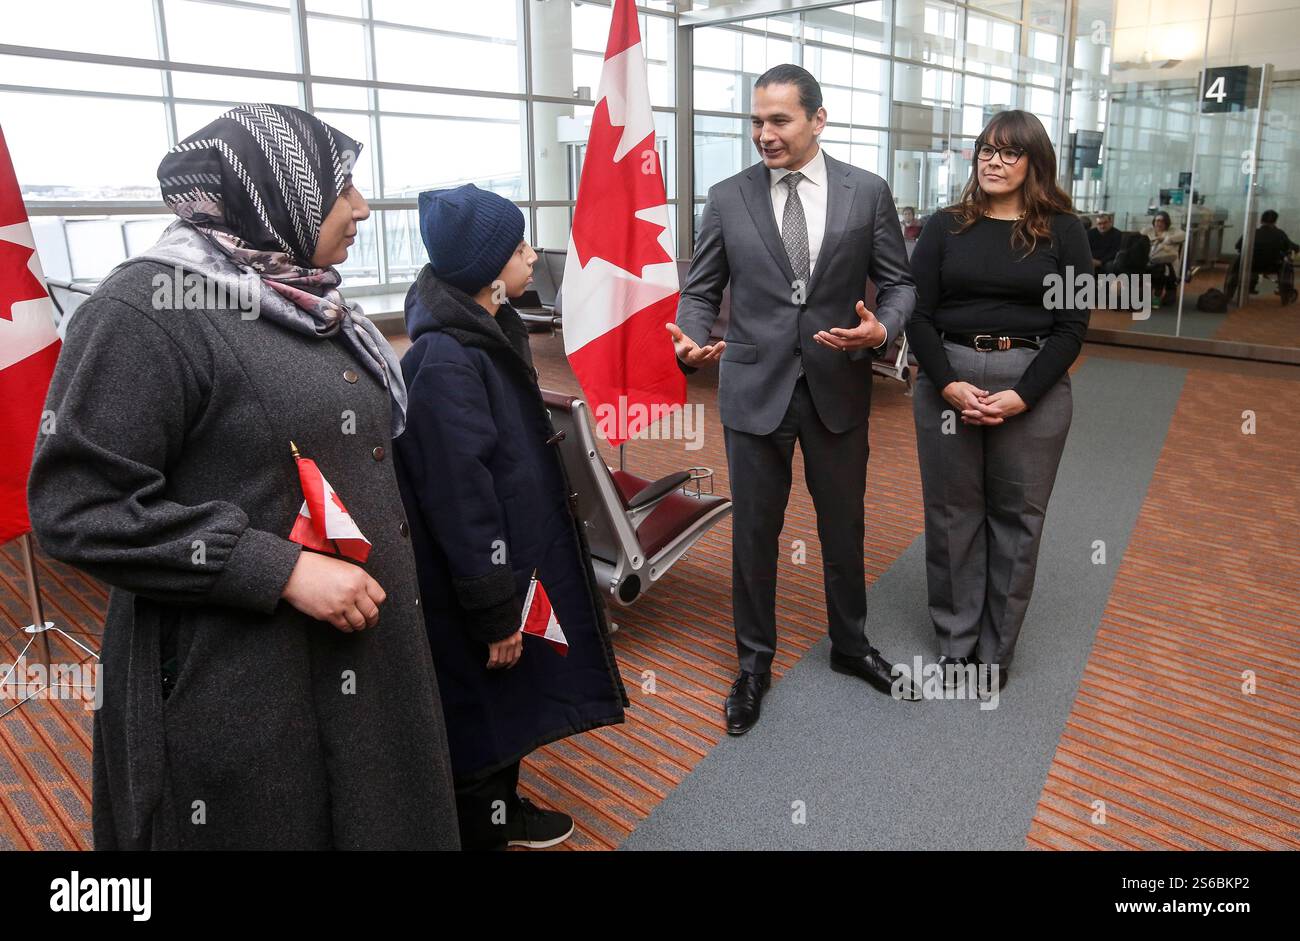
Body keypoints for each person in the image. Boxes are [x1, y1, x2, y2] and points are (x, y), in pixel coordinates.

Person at [26, 104, 460, 849]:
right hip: (244, 686)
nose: (360, 208)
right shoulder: (147, 309)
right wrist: (279, 567)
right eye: (341, 187)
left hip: (356, 665)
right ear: (270, 195)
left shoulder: (304, 295)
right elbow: (75, 506)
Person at [668, 63, 921, 736]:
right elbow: (700, 289)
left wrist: (884, 328)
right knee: (755, 533)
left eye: (779, 120)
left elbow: (900, 285)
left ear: (817, 119)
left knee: (844, 527)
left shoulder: (867, 193)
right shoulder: (727, 197)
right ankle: (753, 664)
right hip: (754, 389)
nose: (764, 134)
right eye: (756, 121)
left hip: (838, 384)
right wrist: (691, 337)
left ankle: (850, 643)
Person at [394, 183, 627, 851]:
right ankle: (479, 826)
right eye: (521, 246)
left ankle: (498, 810)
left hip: (510, 561)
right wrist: (496, 607)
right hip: (482, 577)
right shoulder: (447, 363)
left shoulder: (490, 330)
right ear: (491, 270)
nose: (532, 255)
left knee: (506, 693)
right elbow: (462, 502)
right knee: (484, 700)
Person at [905, 110, 1092, 697]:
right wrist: (946, 383)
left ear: (1034, 162)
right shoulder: (945, 226)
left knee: (1017, 520)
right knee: (952, 513)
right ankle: (957, 643)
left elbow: (1072, 326)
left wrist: (1021, 396)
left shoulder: (1065, 231)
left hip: (1030, 380)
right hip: (948, 377)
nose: (993, 160)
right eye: (986, 149)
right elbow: (918, 312)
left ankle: (996, 649)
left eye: (1009, 152)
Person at [1228, 209, 1298, 303]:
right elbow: (1291, 247)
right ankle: (1285, 290)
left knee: (1240, 260)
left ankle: (1231, 292)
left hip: (1250, 264)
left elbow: (1238, 246)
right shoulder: (1280, 234)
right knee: (1287, 264)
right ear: (1275, 221)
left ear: (1261, 221)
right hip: (1272, 265)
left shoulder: (1251, 232)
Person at [1140, 210, 1185, 306]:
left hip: (1167, 261)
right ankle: (1145, 294)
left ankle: (1157, 294)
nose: (1159, 223)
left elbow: (1183, 235)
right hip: (1148, 260)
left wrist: (1165, 238)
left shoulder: (1173, 231)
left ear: (1167, 223)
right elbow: (1139, 240)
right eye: (1157, 221)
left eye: (1162, 221)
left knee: (1160, 269)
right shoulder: (1148, 231)